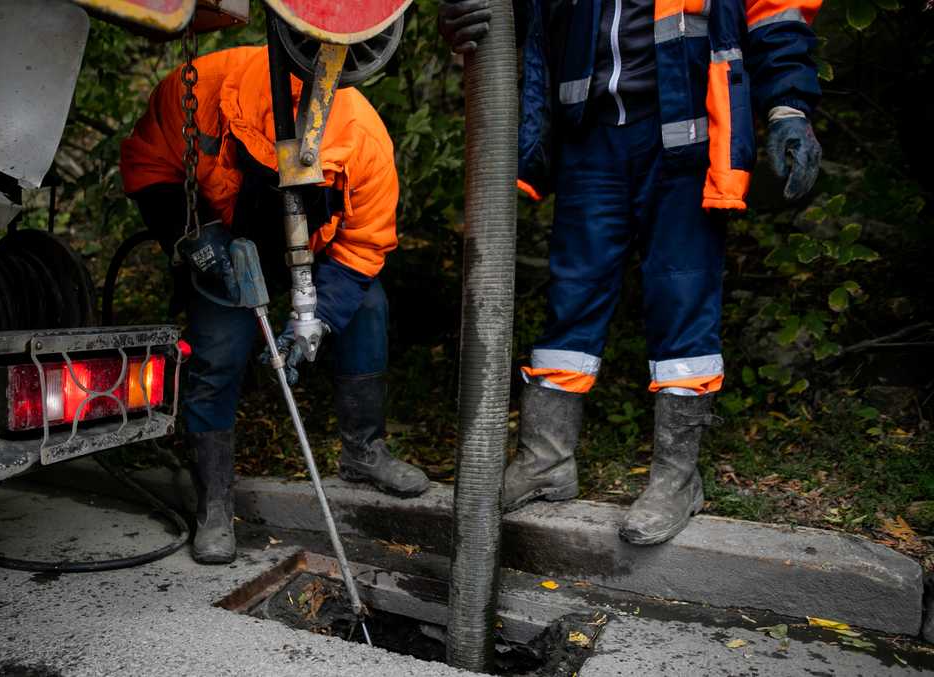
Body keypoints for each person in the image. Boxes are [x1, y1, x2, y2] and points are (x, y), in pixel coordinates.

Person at [439, 0, 823, 544]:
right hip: (591, 137)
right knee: (572, 295)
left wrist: (788, 107)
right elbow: (521, 19)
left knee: (681, 298)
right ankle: (547, 459)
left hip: (684, 136)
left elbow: (775, 15)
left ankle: (676, 479)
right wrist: (463, 18)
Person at [120, 46, 430, 565]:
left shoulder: (364, 139)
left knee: (368, 308)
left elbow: (365, 246)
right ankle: (214, 502)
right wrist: (191, 235)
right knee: (217, 352)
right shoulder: (200, 88)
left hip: (318, 251)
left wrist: (320, 317)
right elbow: (149, 162)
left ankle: (363, 451)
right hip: (228, 243)